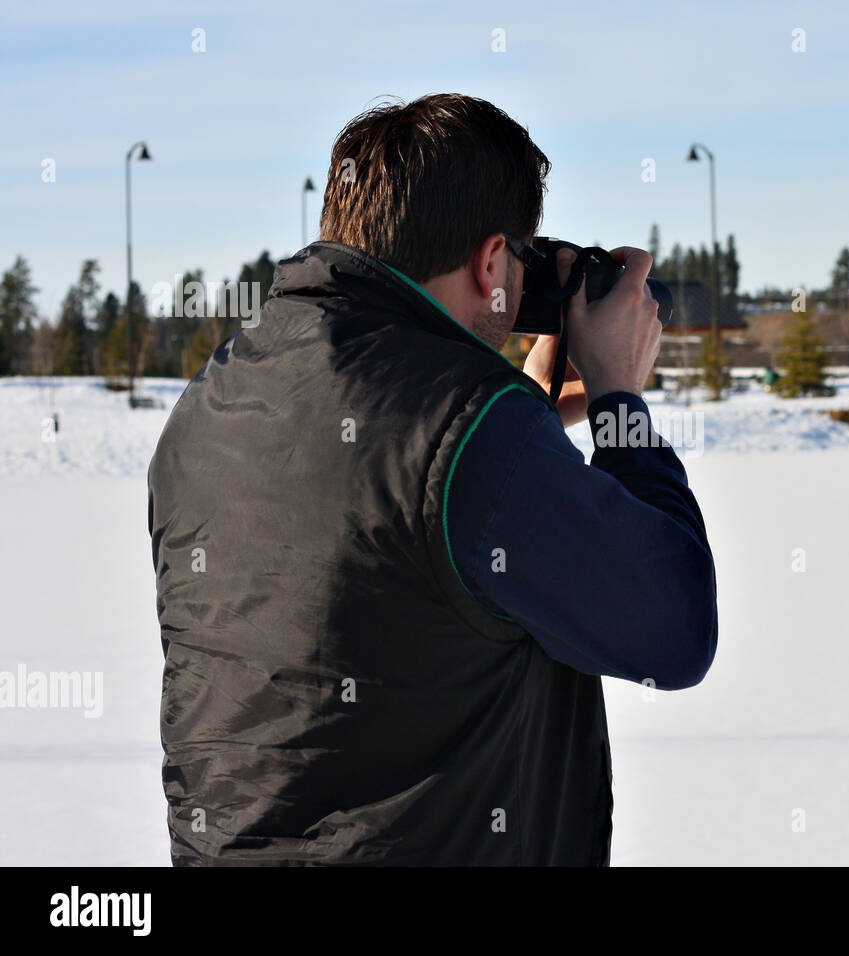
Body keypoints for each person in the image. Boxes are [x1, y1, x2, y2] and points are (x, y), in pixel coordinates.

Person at [148, 93, 718, 866]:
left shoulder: (210, 405)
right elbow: (672, 632)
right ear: (490, 262)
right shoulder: (470, 427)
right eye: (519, 259)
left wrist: (531, 429)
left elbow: (377, 521)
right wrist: (619, 396)